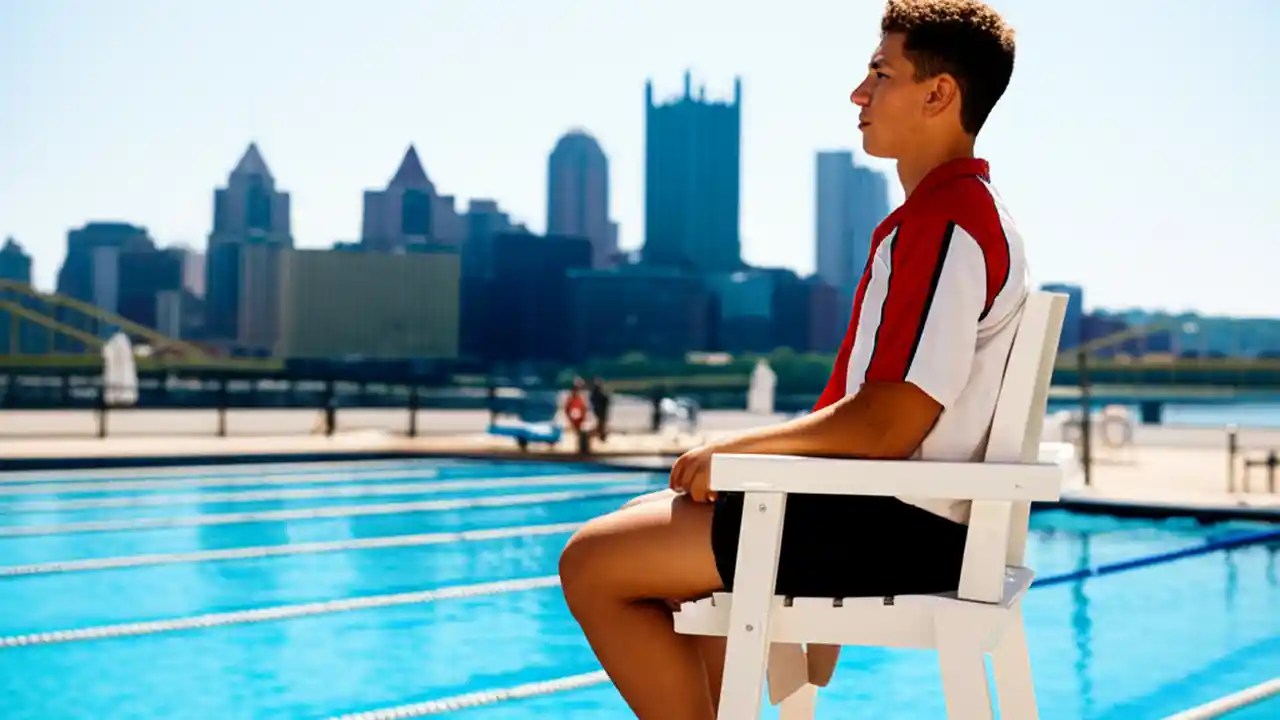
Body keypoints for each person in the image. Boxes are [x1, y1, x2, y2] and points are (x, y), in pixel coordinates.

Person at [558, 2, 1027, 718]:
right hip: (902, 517)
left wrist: (736, 448)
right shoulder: (965, 214)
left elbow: (889, 422)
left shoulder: (945, 222)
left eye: (881, 74)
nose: (858, 94)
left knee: (591, 563)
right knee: (653, 525)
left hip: (900, 531)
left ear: (939, 95)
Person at [588, 377, 612, 442]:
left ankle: (599, 436)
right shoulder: (598, 394)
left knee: (600, 424)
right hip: (600, 412)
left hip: (599, 411)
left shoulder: (595, 394)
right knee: (601, 424)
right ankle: (599, 437)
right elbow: (606, 401)